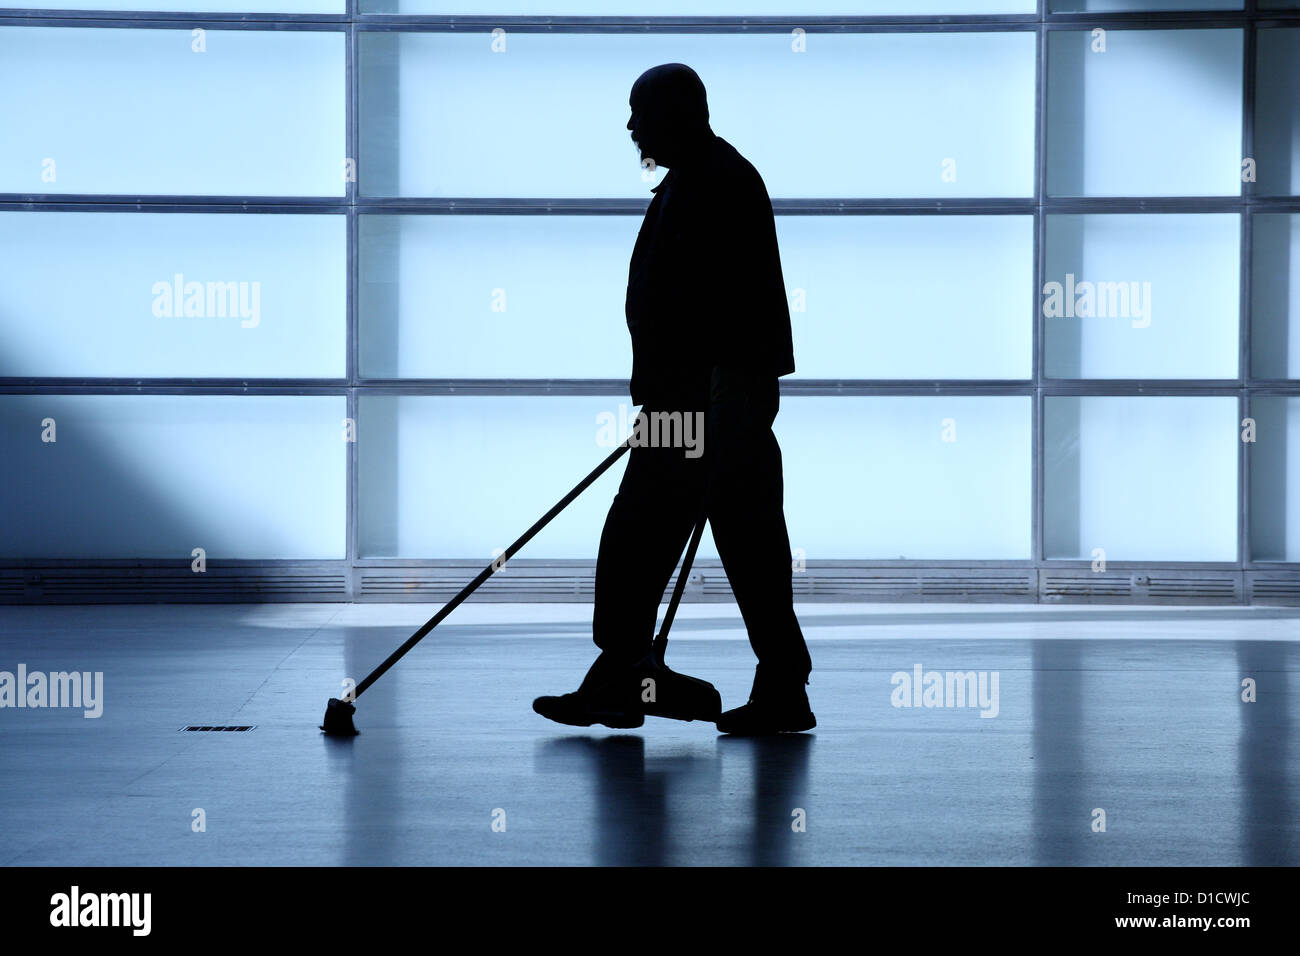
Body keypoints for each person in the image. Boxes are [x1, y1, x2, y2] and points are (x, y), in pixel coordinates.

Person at [533, 63, 813, 735]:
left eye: (642, 112)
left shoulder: (720, 182)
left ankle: (758, 685)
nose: (631, 126)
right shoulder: (690, 183)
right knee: (654, 539)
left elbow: (741, 305)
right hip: (683, 410)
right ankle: (629, 677)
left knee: (733, 545)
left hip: (717, 409)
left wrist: (724, 400)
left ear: (681, 112)